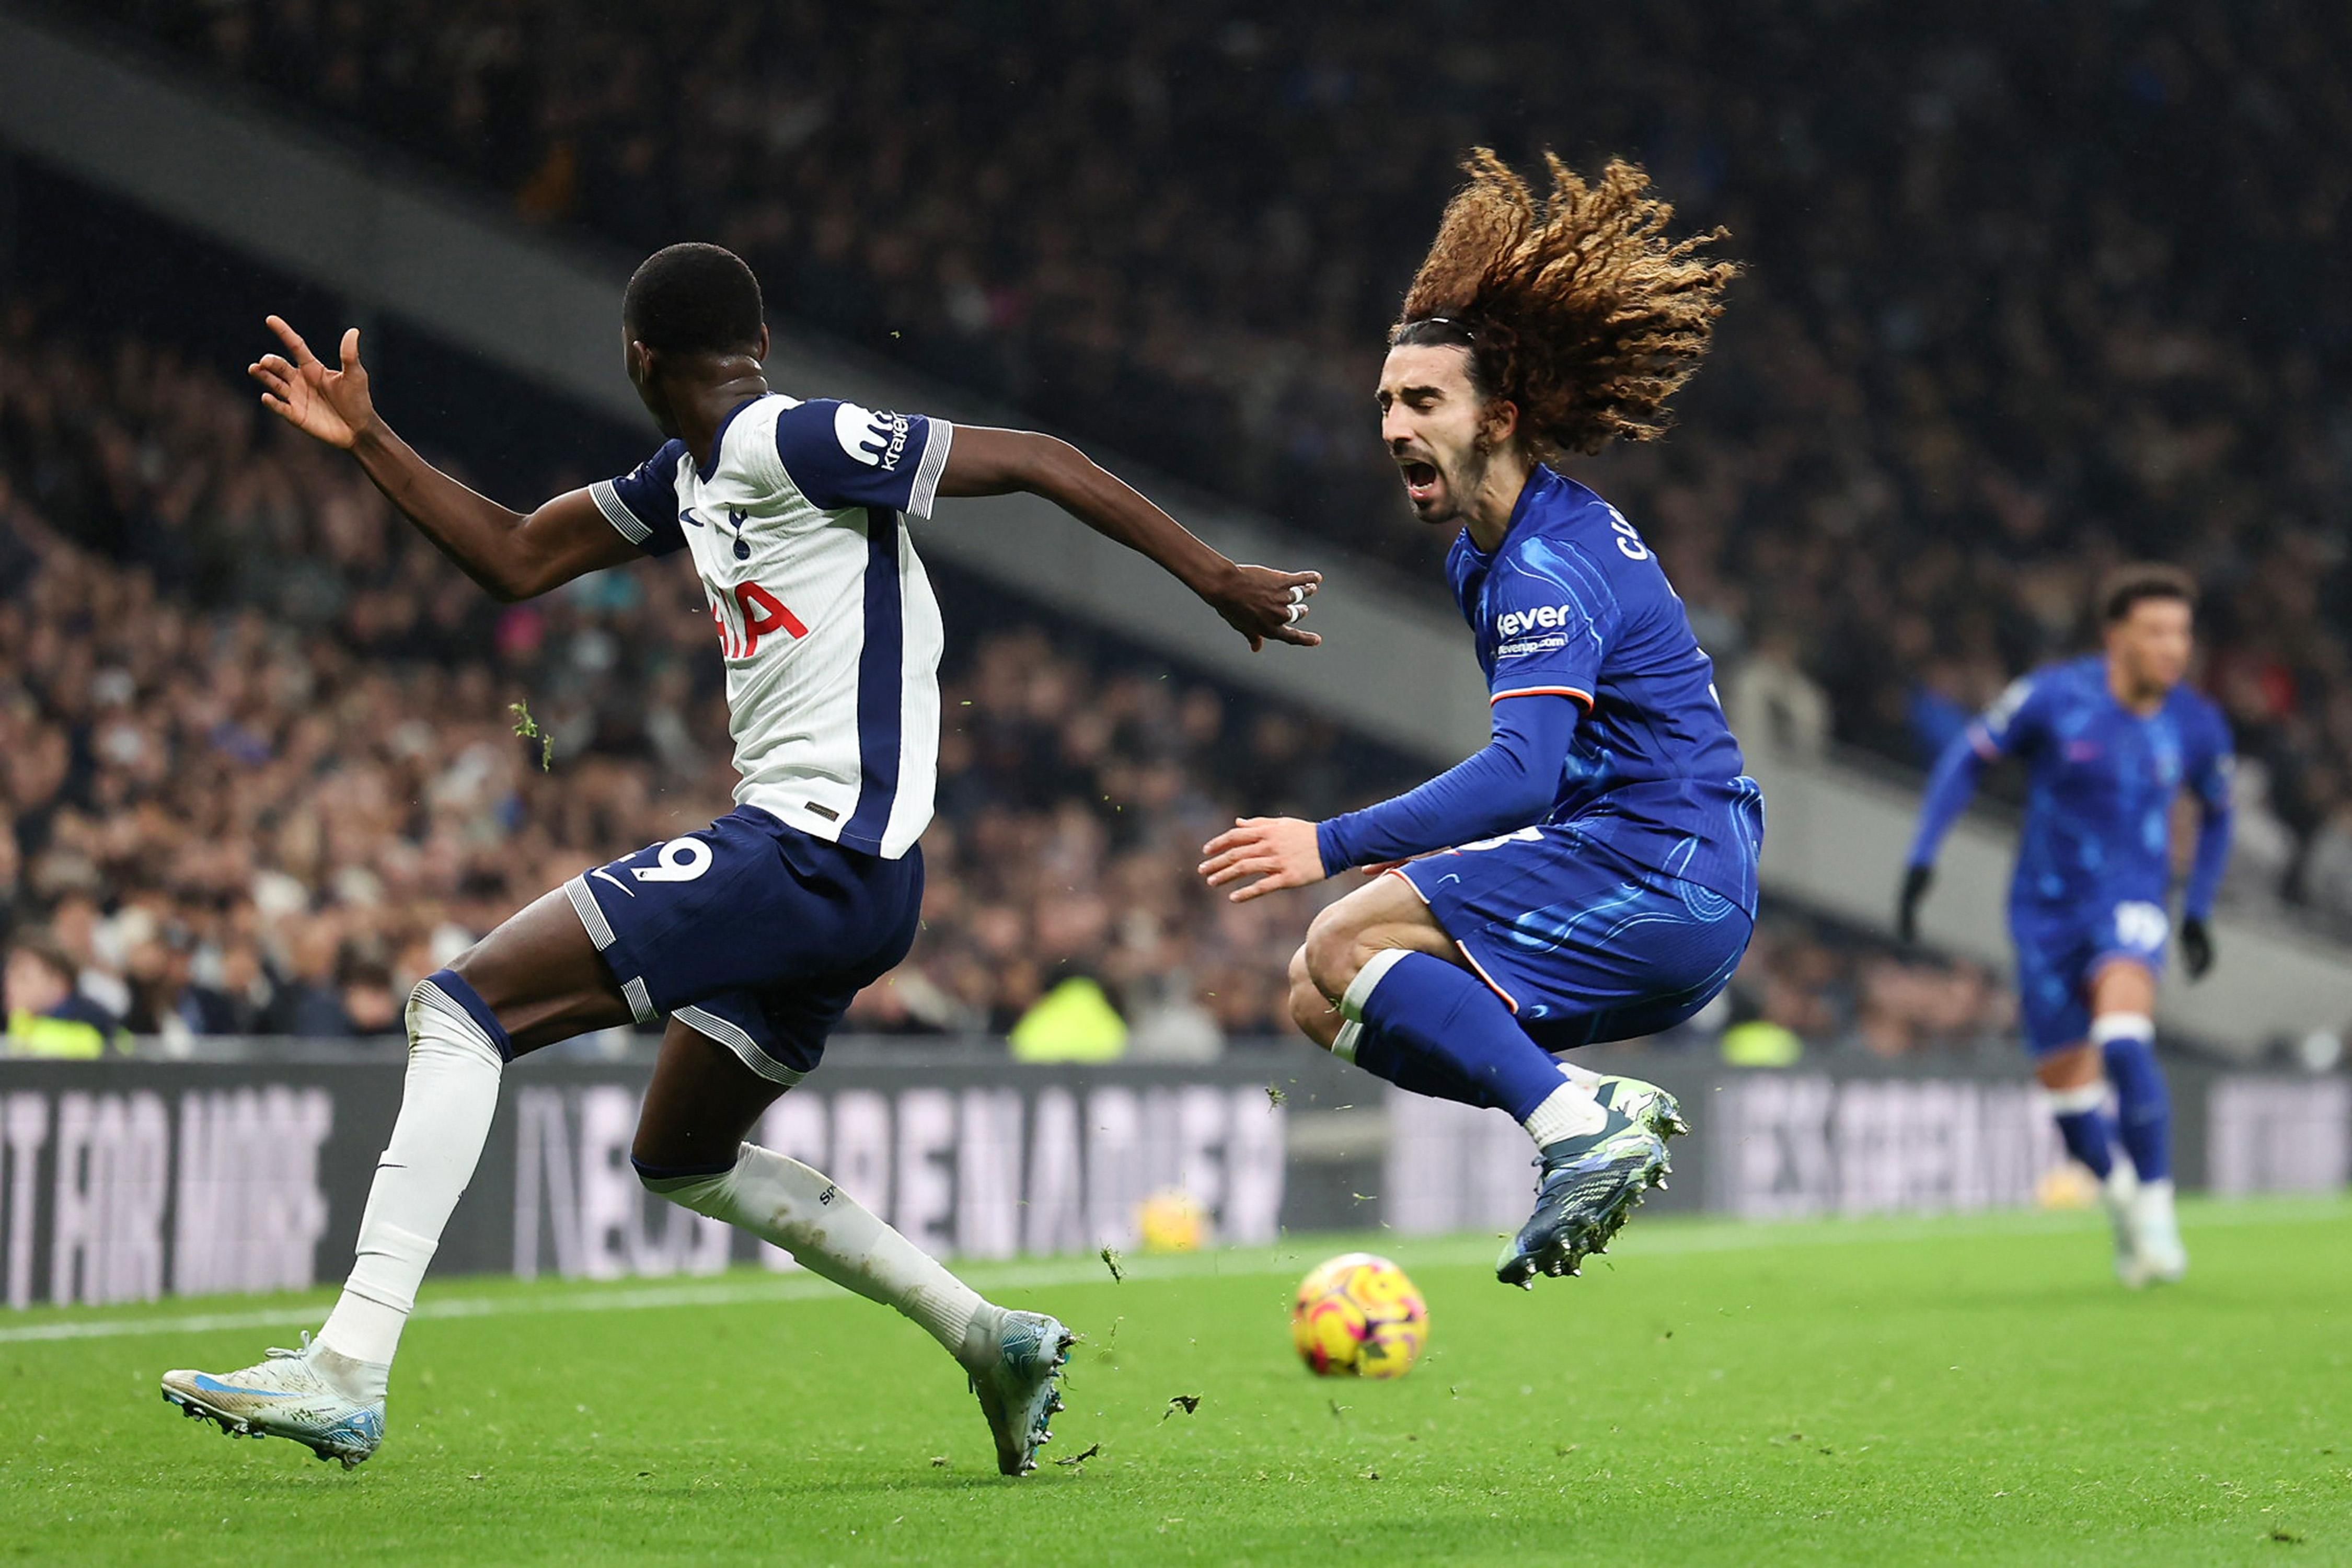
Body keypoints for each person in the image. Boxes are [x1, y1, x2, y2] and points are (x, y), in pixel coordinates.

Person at [162, 243, 1322, 1471]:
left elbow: (1033, 458)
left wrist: (1215, 579)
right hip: (863, 883)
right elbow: (515, 555)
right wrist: (373, 442)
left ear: (637, 358)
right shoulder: (691, 477)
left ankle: (346, 1366)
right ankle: (988, 1336)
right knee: (680, 1152)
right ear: (751, 345)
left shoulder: (789, 442)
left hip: (802, 852)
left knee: (458, 1010)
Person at [1197, 152, 1761, 1288]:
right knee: (1319, 999)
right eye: (1386, 405)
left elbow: (1522, 775)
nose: (1395, 423)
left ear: (1499, 416)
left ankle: (1574, 1126)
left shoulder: (1545, 565)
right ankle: (1581, 1108)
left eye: (1422, 401)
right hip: (1653, 867)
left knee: (1341, 938)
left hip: (1662, 870)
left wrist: (1328, 843)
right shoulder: (1485, 552)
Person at [1899, 565, 2231, 1287]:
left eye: (2182, 632)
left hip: (2133, 903)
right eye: (2157, 632)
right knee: (2070, 1097)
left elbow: (2219, 812)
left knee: (2122, 1035)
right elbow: (1966, 760)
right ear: (2117, 638)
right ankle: (2123, 1208)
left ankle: (2159, 1212)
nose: (2175, 647)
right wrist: (1924, 857)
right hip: (2044, 914)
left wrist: (2198, 907)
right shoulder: (2055, 697)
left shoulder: (2197, 722)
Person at [2, 928, 124, 1057]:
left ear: (59, 984)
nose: (10, 986)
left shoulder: (87, 1024)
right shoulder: (22, 1023)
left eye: (23, 978)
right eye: (8, 977)